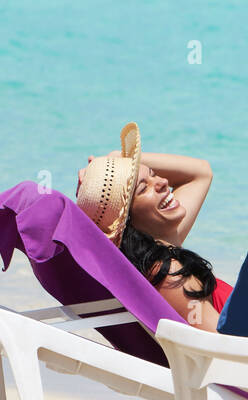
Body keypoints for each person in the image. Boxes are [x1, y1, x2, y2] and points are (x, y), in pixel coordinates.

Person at [75, 122, 229, 330]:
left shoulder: (163, 246)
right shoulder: (169, 275)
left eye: (154, 174)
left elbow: (201, 172)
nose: (164, 182)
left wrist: (119, 158)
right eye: (142, 188)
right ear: (128, 221)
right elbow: (222, 348)